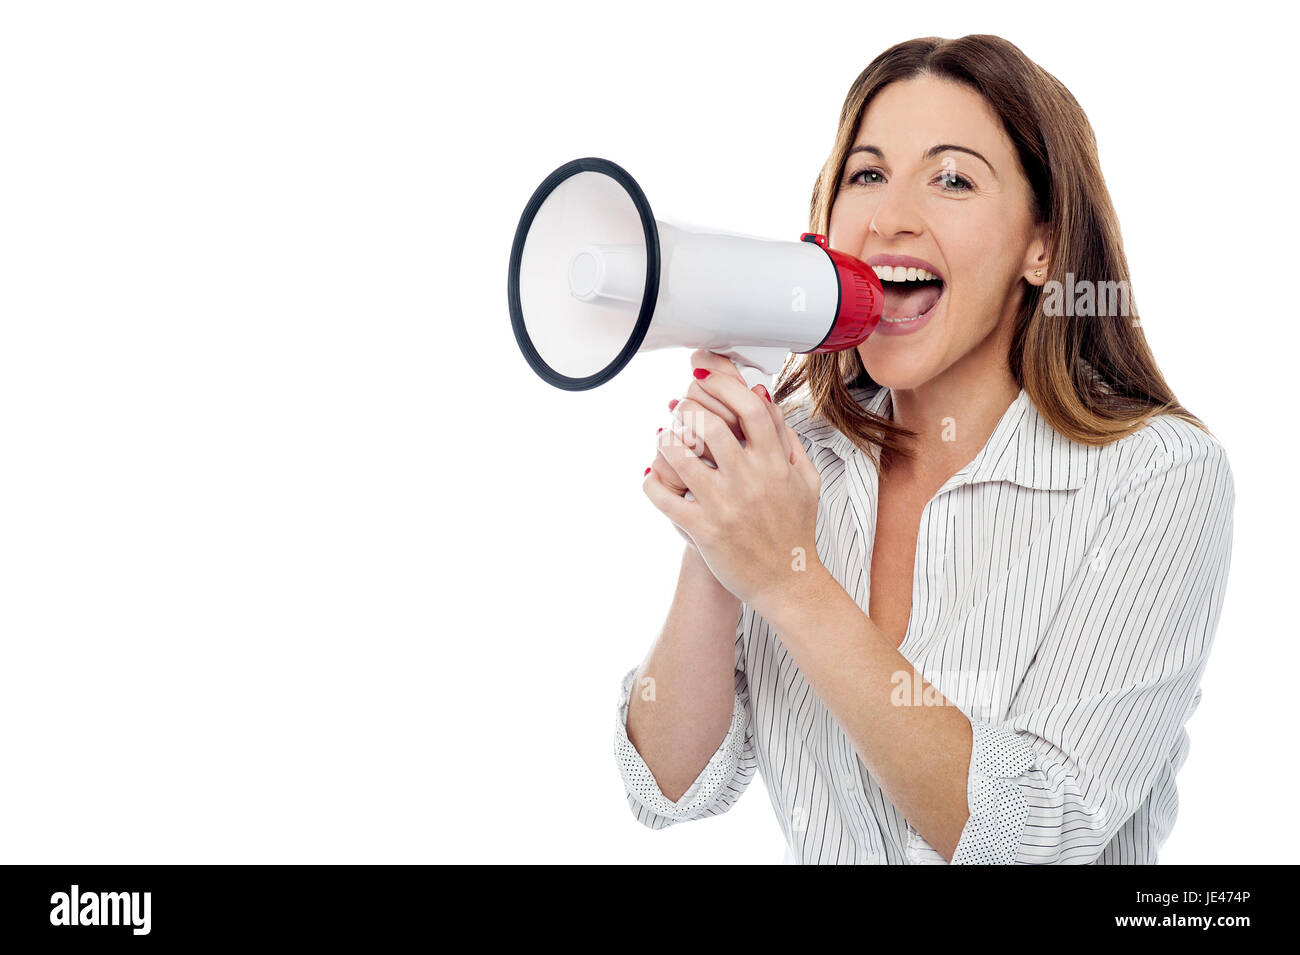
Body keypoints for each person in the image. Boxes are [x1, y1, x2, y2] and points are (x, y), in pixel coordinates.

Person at [615, 34, 1235, 864]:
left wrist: (790, 579)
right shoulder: (797, 463)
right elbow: (667, 785)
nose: (890, 217)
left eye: (952, 178)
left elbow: (1040, 835)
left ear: (1040, 247)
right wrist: (719, 531)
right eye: (866, 174)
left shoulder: (1156, 476)